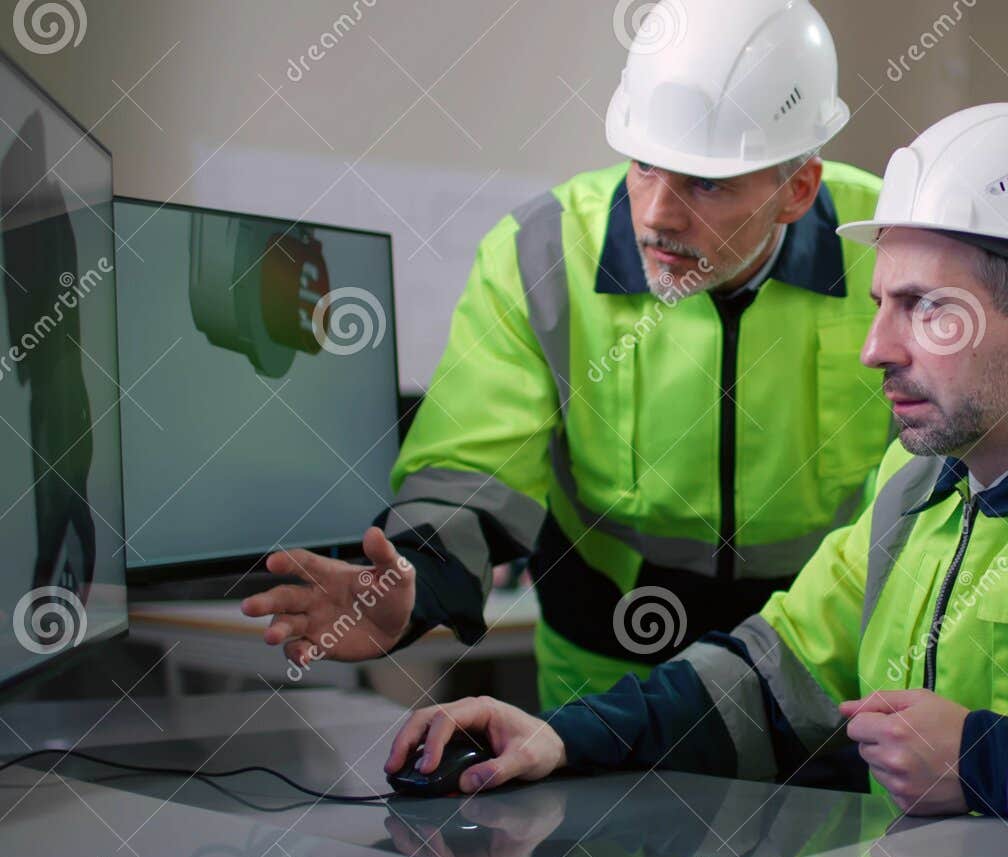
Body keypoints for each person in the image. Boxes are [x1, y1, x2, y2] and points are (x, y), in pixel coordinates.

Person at [385, 102, 1008, 818]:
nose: (876, 348)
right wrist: (559, 736)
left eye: (927, 311)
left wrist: (991, 761)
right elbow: (767, 677)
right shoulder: (916, 497)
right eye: (880, 303)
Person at [241, 0, 889, 708]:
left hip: (817, 661)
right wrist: (420, 581)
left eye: (706, 183)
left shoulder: (887, 251)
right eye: (645, 165)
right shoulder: (541, 251)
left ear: (796, 189)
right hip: (609, 661)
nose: (656, 216)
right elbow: (470, 467)